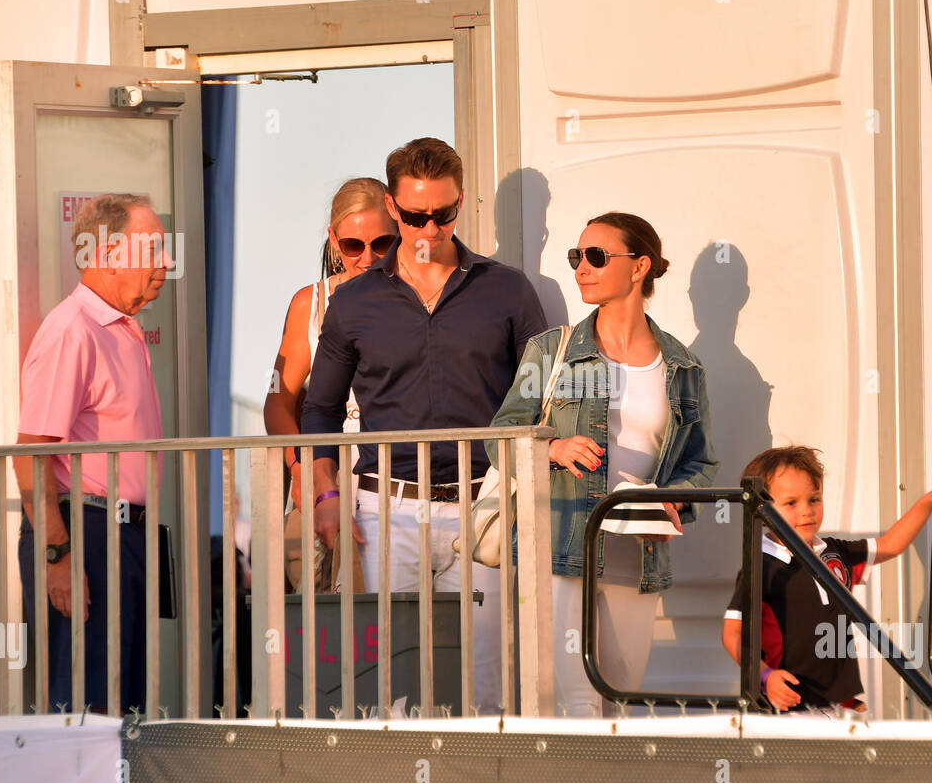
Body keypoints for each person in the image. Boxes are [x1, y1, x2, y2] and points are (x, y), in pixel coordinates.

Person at [301, 138, 548, 713]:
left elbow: (544, 400)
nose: (429, 229)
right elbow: (319, 411)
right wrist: (326, 492)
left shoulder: (507, 289)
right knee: (393, 687)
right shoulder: (354, 302)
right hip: (387, 510)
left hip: (485, 507)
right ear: (393, 206)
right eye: (415, 216)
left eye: (443, 214)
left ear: (461, 203)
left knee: (489, 680)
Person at [490, 212, 719, 717]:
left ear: (639, 268)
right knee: (572, 703)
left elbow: (700, 462)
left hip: (637, 554)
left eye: (596, 256)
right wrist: (553, 449)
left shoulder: (682, 366)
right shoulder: (552, 351)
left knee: (618, 702)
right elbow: (500, 440)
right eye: (577, 257)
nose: (581, 268)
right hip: (560, 545)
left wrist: (674, 501)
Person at [13, 192, 171, 712]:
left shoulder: (121, 330)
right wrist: (58, 555)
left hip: (122, 535)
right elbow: (31, 453)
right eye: (151, 249)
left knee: (121, 710)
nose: (165, 263)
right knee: (83, 711)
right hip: (85, 532)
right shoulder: (73, 329)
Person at [721, 444, 932, 712]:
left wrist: (927, 503)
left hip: (836, 705)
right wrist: (765, 676)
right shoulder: (761, 567)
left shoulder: (834, 551)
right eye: (791, 503)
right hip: (787, 706)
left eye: (814, 499)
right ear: (761, 512)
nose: (806, 510)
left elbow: (890, 544)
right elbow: (733, 635)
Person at [264, 177, 396, 590]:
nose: (367, 257)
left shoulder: (421, 301)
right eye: (353, 245)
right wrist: (302, 469)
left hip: (403, 481)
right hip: (330, 480)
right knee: (330, 625)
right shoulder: (311, 303)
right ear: (334, 241)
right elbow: (276, 401)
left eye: (381, 244)